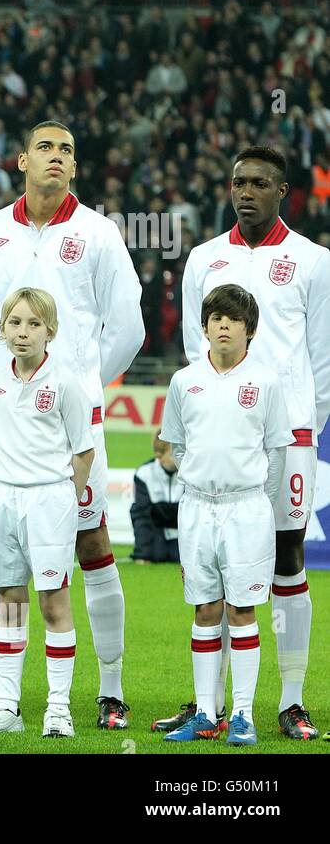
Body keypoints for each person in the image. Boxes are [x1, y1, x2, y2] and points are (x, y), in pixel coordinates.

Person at [0, 120, 144, 729]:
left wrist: (80, 385)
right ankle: (0, 693)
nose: (57, 157)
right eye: (46, 147)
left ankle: (110, 689)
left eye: (67, 149)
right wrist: (10, 383)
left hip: (70, 426)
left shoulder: (98, 231)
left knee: (92, 546)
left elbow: (128, 327)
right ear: (21, 161)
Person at [169, 145, 329, 741]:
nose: (247, 192)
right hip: (222, 435)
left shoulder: (313, 260)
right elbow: (194, 348)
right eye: (239, 182)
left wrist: (300, 422)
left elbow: (324, 355)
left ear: (282, 191)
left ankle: (289, 700)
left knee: (287, 561)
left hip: (287, 437)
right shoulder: (204, 259)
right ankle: (211, 706)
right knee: (212, 566)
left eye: (260, 183)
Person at [160, 285, 291, 746]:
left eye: (233, 320)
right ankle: (203, 713)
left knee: (241, 609)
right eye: (215, 318)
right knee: (204, 608)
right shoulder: (184, 381)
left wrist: (254, 497)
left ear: (249, 330)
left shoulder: (266, 381)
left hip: (246, 508)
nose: (223, 325)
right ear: (204, 326)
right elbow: (175, 444)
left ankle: (242, 716)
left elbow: (277, 450)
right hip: (196, 506)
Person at [0, 288, 94, 737]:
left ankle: (58, 710)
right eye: (15, 323)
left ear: (50, 332)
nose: (23, 332)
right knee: (8, 602)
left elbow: (83, 451)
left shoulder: (66, 382)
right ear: (2, 330)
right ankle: (8, 707)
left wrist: (63, 499)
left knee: (53, 602)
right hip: (4, 496)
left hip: (50, 500)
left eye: (33, 324)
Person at [130, 432, 182, 565]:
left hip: (182, 535)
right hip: (157, 535)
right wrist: (142, 554)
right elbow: (141, 516)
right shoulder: (144, 474)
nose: (181, 457)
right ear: (159, 455)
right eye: (174, 453)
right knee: (156, 554)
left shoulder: (190, 473)